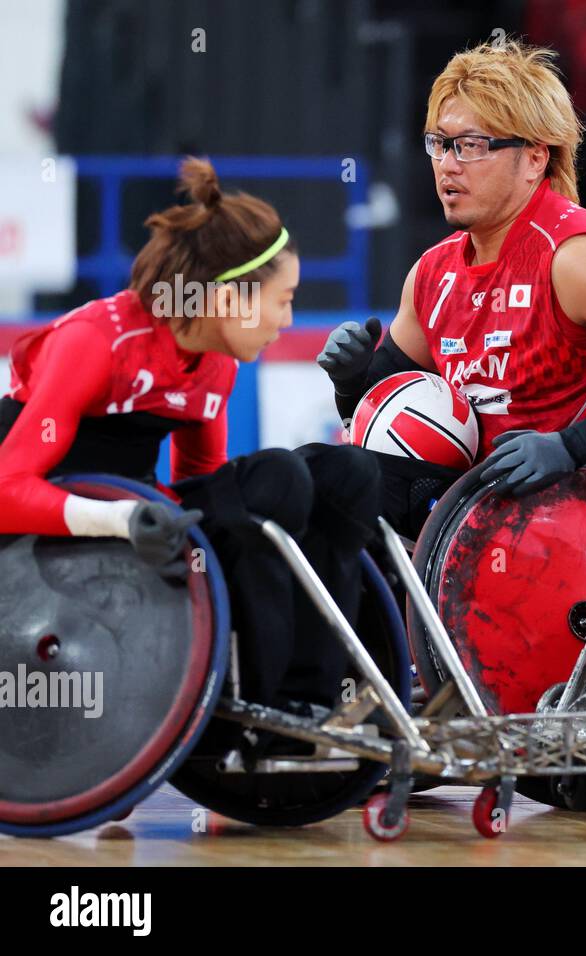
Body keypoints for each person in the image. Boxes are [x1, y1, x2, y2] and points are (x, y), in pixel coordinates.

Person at [0, 158, 379, 733]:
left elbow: (207, 492)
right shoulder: (96, 343)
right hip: (46, 532)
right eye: (282, 299)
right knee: (279, 475)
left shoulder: (216, 366)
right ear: (228, 298)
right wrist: (123, 518)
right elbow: (6, 491)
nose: (288, 320)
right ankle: (242, 708)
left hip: (134, 516)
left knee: (346, 473)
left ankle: (306, 699)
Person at [317, 41, 586, 537]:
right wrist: (351, 382)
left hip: (580, 511)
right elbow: (374, 423)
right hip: (479, 510)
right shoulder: (432, 273)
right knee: (316, 475)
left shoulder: (579, 256)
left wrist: (572, 446)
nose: (447, 165)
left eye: (470, 145)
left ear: (534, 159)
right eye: (439, 144)